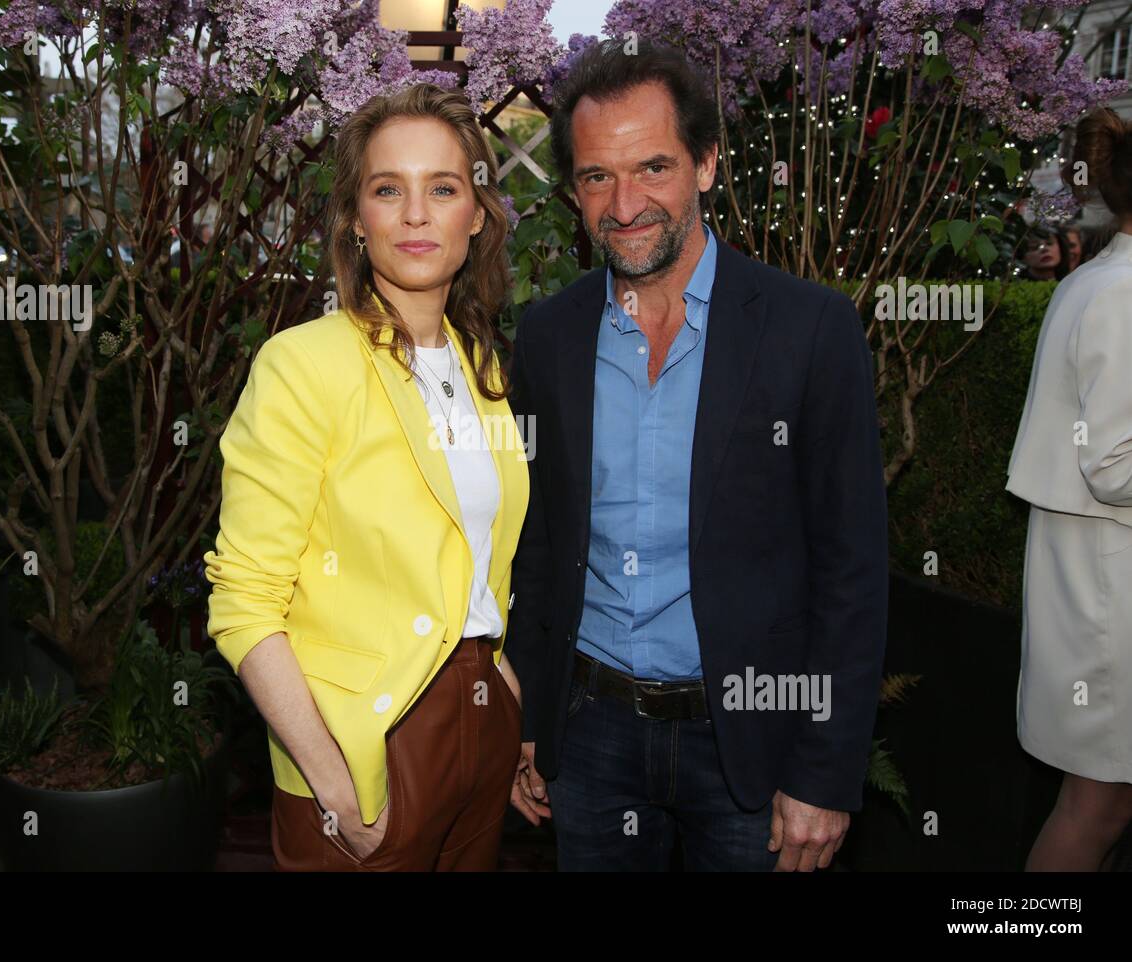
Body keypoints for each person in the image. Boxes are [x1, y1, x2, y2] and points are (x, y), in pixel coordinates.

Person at [503, 39, 889, 872]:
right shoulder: (548, 336)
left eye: (653, 167)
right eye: (597, 177)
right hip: (591, 736)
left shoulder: (809, 330)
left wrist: (827, 770)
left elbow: (853, 570)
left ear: (707, 164)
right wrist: (532, 719)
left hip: (751, 739)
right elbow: (536, 547)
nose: (625, 202)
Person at [202, 83, 530, 871]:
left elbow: (475, 567)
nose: (417, 214)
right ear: (355, 216)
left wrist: (511, 704)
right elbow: (245, 604)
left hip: (483, 726)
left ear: (478, 214)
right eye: (389, 189)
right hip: (362, 746)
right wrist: (335, 786)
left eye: (443, 188)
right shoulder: (302, 365)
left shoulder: (481, 366)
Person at [1006, 105, 1132, 871]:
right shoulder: (1119, 296)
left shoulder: (1103, 281)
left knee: (1104, 799)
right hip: (1104, 593)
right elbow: (1113, 464)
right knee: (1099, 802)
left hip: (1098, 577)